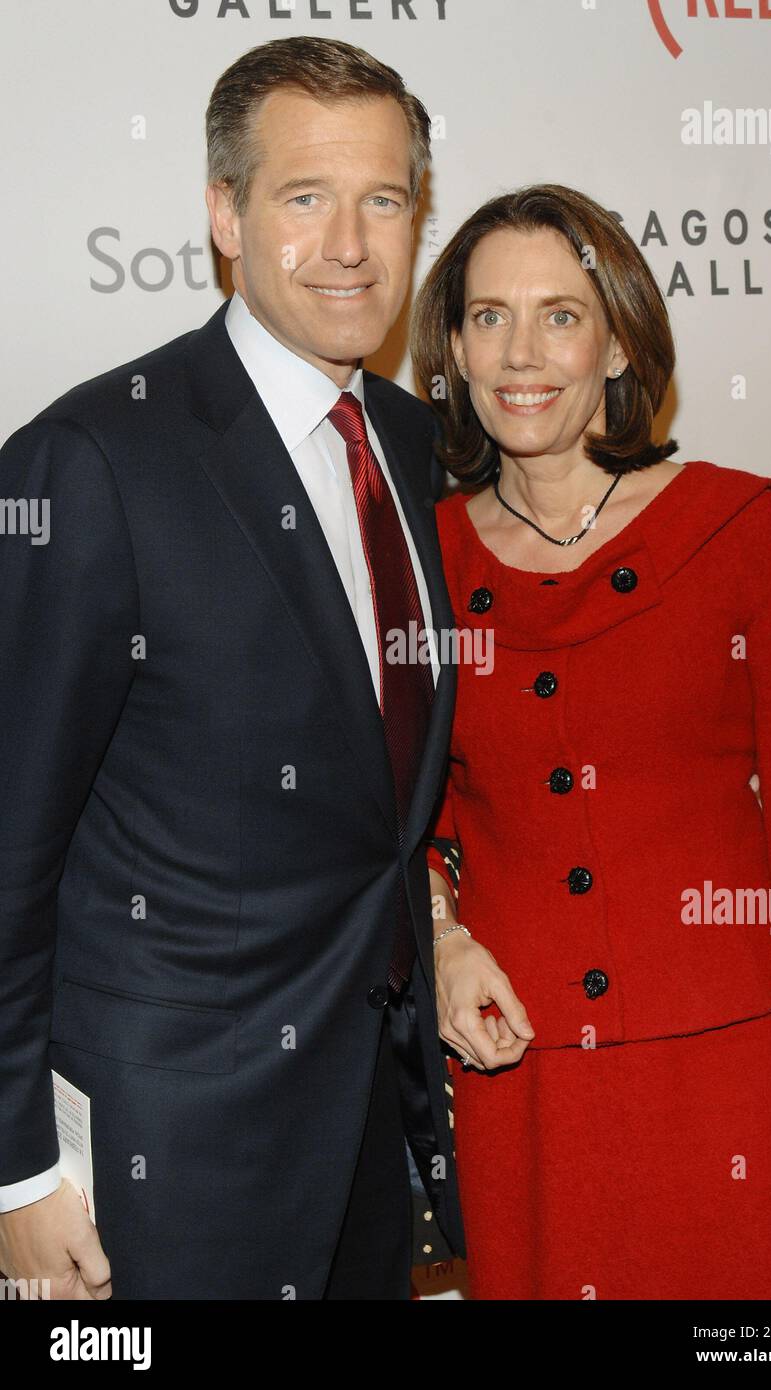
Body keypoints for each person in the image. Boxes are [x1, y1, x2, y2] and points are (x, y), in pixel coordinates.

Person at [0, 36, 465, 1301]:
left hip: (371, 1125)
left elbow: (374, 798)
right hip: (168, 1155)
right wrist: (17, 1174)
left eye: (383, 199)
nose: (350, 244)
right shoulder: (94, 459)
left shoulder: (413, 444)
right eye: (302, 197)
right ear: (223, 214)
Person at [411, 183, 771, 1300]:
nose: (521, 354)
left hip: (735, 1076)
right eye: (488, 317)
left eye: (559, 316)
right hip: (524, 1085)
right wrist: (438, 937)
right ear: (453, 353)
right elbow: (387, 815)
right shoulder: (417, 558)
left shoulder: (735, 525)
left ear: (616, 343)